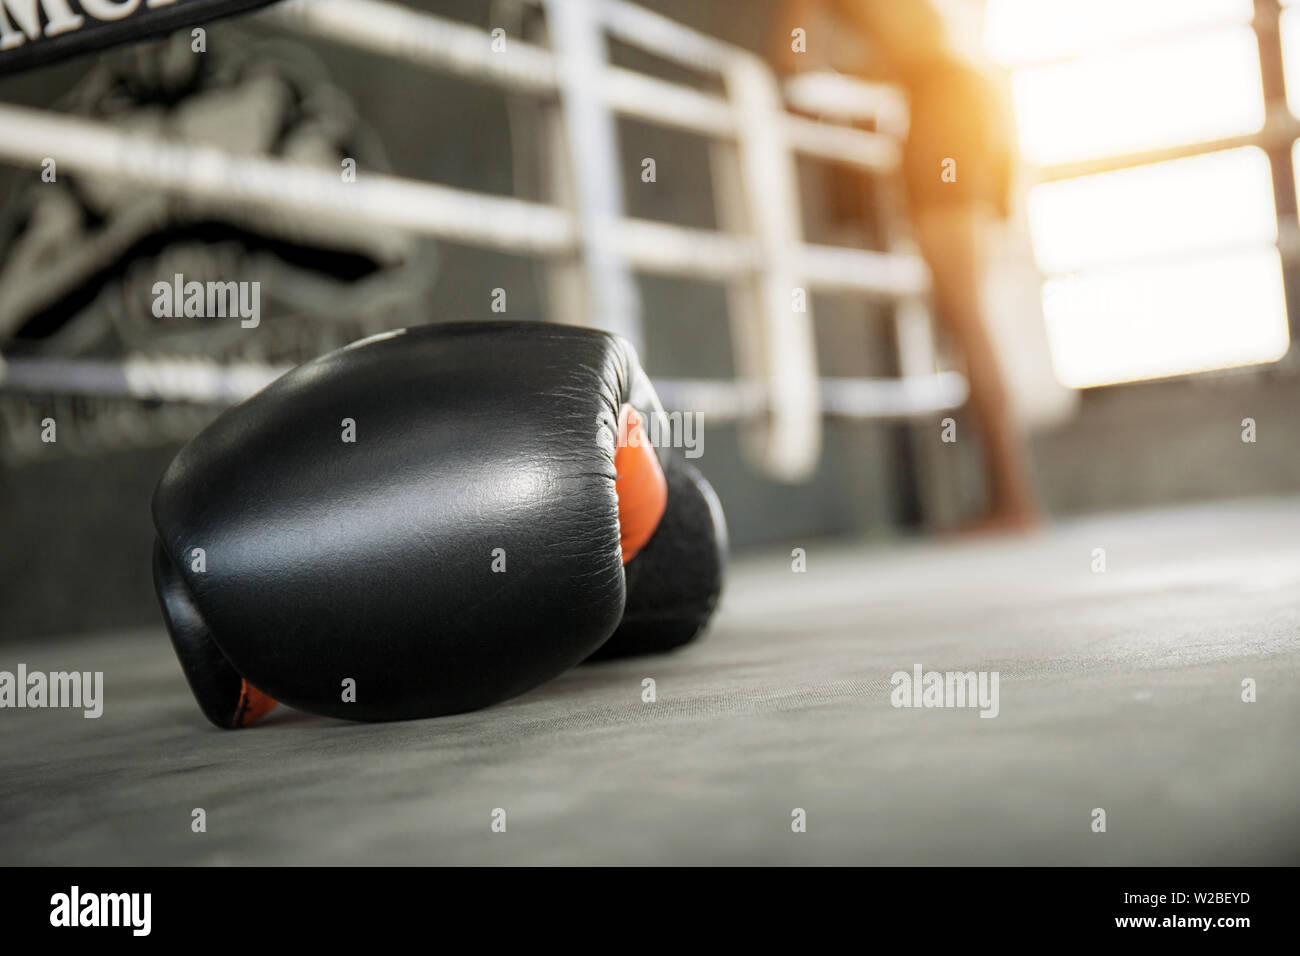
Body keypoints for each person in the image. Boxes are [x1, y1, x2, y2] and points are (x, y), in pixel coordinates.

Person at [774, 0, 1042, 532]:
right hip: (980, 93)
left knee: (965, 316)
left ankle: (1014, 502)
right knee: (964, 313)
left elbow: (790, 63)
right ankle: (1006, 499)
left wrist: (843, 88)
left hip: (941, 102)